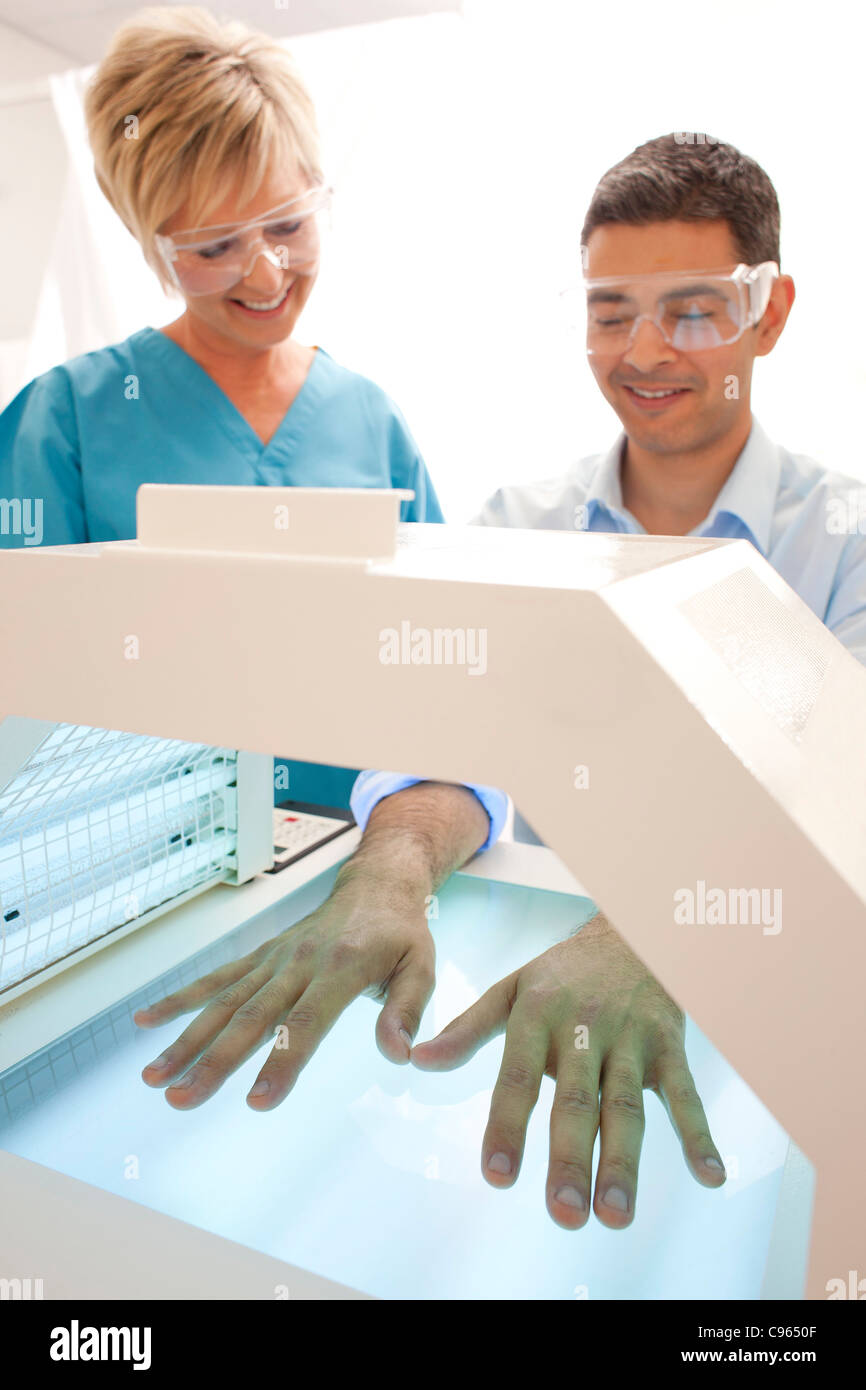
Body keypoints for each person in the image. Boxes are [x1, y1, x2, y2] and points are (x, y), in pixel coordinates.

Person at [136, 133, 866, 1235]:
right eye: (609, 309)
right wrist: (395, 865)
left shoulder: (841, 539)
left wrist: (657, 934)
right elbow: (447, 739)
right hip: (520, 996)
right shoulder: (520, 523)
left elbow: (841, 786)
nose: (644, 348)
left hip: (761, 1021)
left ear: (769, 312)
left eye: (694, 309)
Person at [0, 6, 456, 812]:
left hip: (349, 861)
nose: (266, 274)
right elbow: (22, 709)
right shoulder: (63, 422)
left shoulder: (370, 421)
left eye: (288, 225)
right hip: (131, 879)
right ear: (151, 242)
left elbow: (447, 674)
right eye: (214, 248)